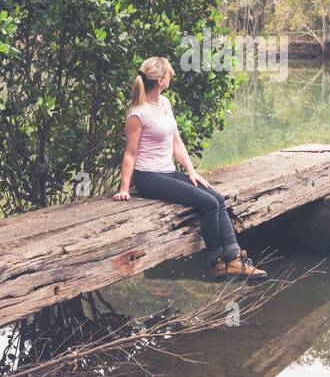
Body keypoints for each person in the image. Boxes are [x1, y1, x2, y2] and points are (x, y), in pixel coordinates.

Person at [113, 56, 265, 279]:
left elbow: (177, 143)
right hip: (148, 177)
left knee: (218, 198)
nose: (173, 75)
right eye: (170, 72)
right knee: (208, 203)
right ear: (161, 80)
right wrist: (125, 188)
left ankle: (234, 259)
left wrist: (191, 171)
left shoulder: (164, 104)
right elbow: (130, 153)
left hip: (168, 172)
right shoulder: (138, 113)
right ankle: (216, 262)